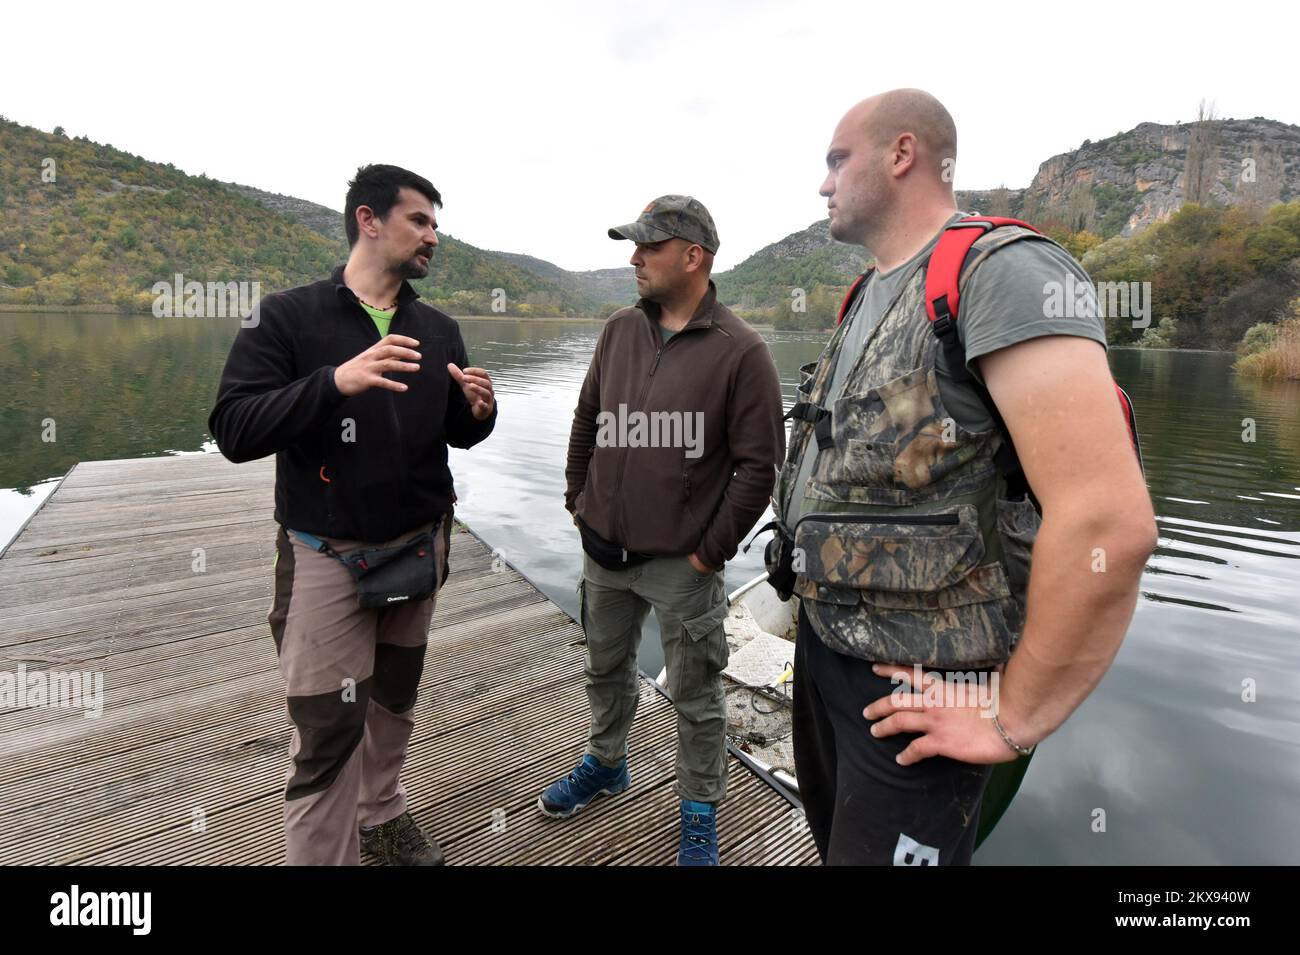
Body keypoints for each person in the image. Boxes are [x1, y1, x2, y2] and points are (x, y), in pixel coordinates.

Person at [779, 90, 1157, 864]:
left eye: (835, 160)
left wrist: (1012, 716)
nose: (823, 184)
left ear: (902, 154)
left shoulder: (1000, 272)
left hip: (924, 690)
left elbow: (1107, 527)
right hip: (826, 661)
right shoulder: (866, 296)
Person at [209, 164, 497, 865]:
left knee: (394, 699)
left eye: (436, 223)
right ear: (369, 220)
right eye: (419, 221)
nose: (433, 236)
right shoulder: (286, 316)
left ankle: (383, 814)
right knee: (328, 727)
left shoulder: (438, 328)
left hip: (420, 547)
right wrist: (333, 382)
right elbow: (235, 429)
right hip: (325, 555)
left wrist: (479, 412)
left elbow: (457, 432)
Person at [543, 195, 785, 865]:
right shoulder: (620, 328)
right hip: (602, 550)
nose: (634, 258)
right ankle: (606, 762)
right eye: (633, 245)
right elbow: (588, 417)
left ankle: (699, 809)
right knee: (604, 668)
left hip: (683, 564)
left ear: (692, 256)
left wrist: (708, 554)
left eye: (648, 247)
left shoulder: (743, 351)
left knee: (698, 694)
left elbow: (758, 466)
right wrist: (577, 497)